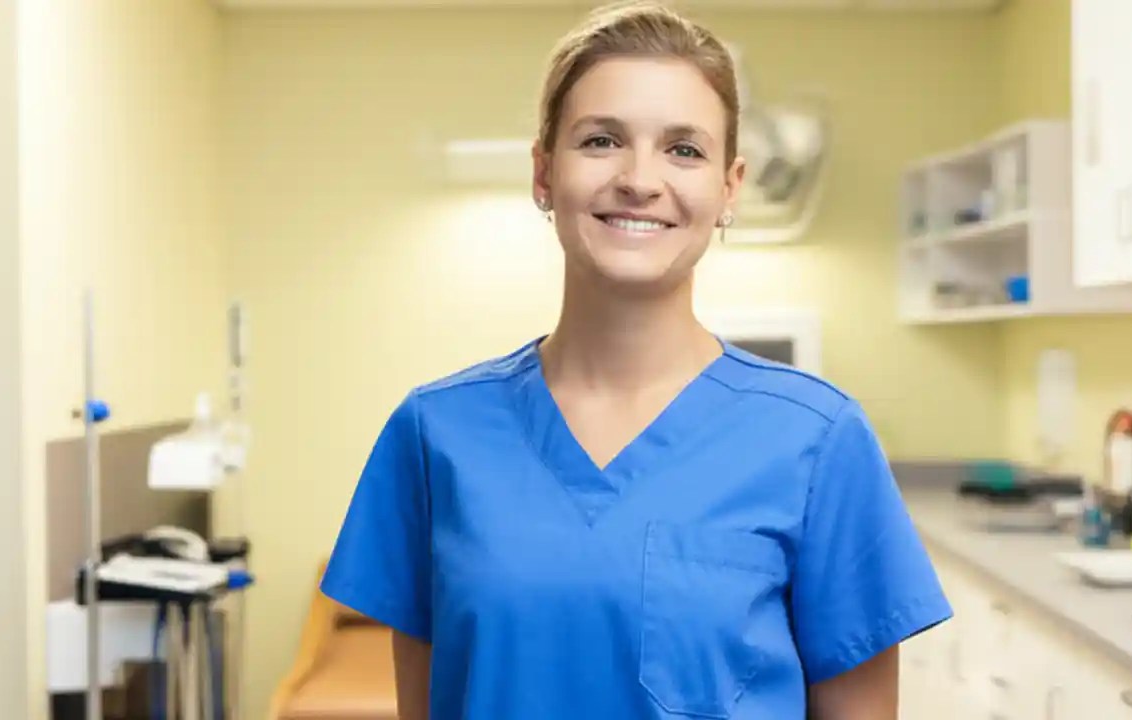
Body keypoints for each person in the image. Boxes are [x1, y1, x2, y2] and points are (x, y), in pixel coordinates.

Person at [319, 2, 952, 718]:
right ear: (543, 173)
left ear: (729, 188)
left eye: (684, 149)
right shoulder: (436, 434)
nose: (639, 179)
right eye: (600, 141)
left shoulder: (817, 439)